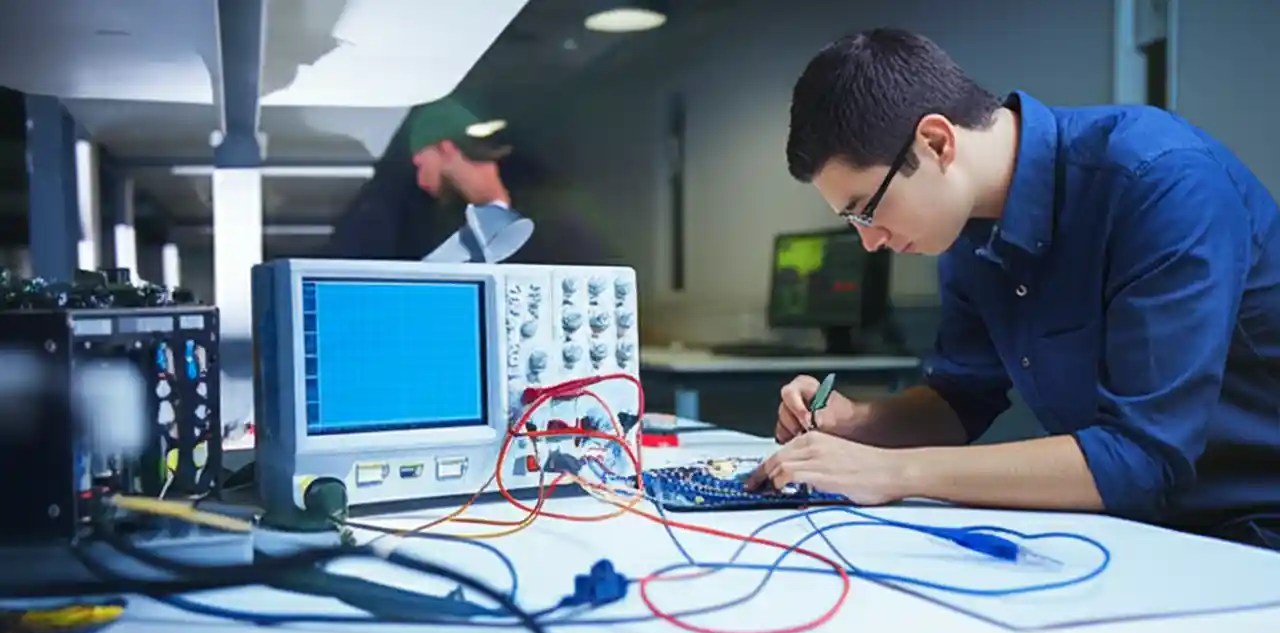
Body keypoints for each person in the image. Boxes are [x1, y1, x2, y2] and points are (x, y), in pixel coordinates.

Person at [747, 28, 1280, 548]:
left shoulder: (1161, 182)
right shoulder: (964, 224)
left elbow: (1141, 459)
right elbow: (960, 398)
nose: (869, 242)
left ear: (936, 142)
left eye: (866, 209)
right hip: (1136, 529)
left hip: (1250, 531)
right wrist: (857, 422)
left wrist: (892, 470)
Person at [405, 98, 615, 266]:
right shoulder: (431, 229)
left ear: (445, 148)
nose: (420, 179)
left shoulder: (558, 221)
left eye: (420, 165)